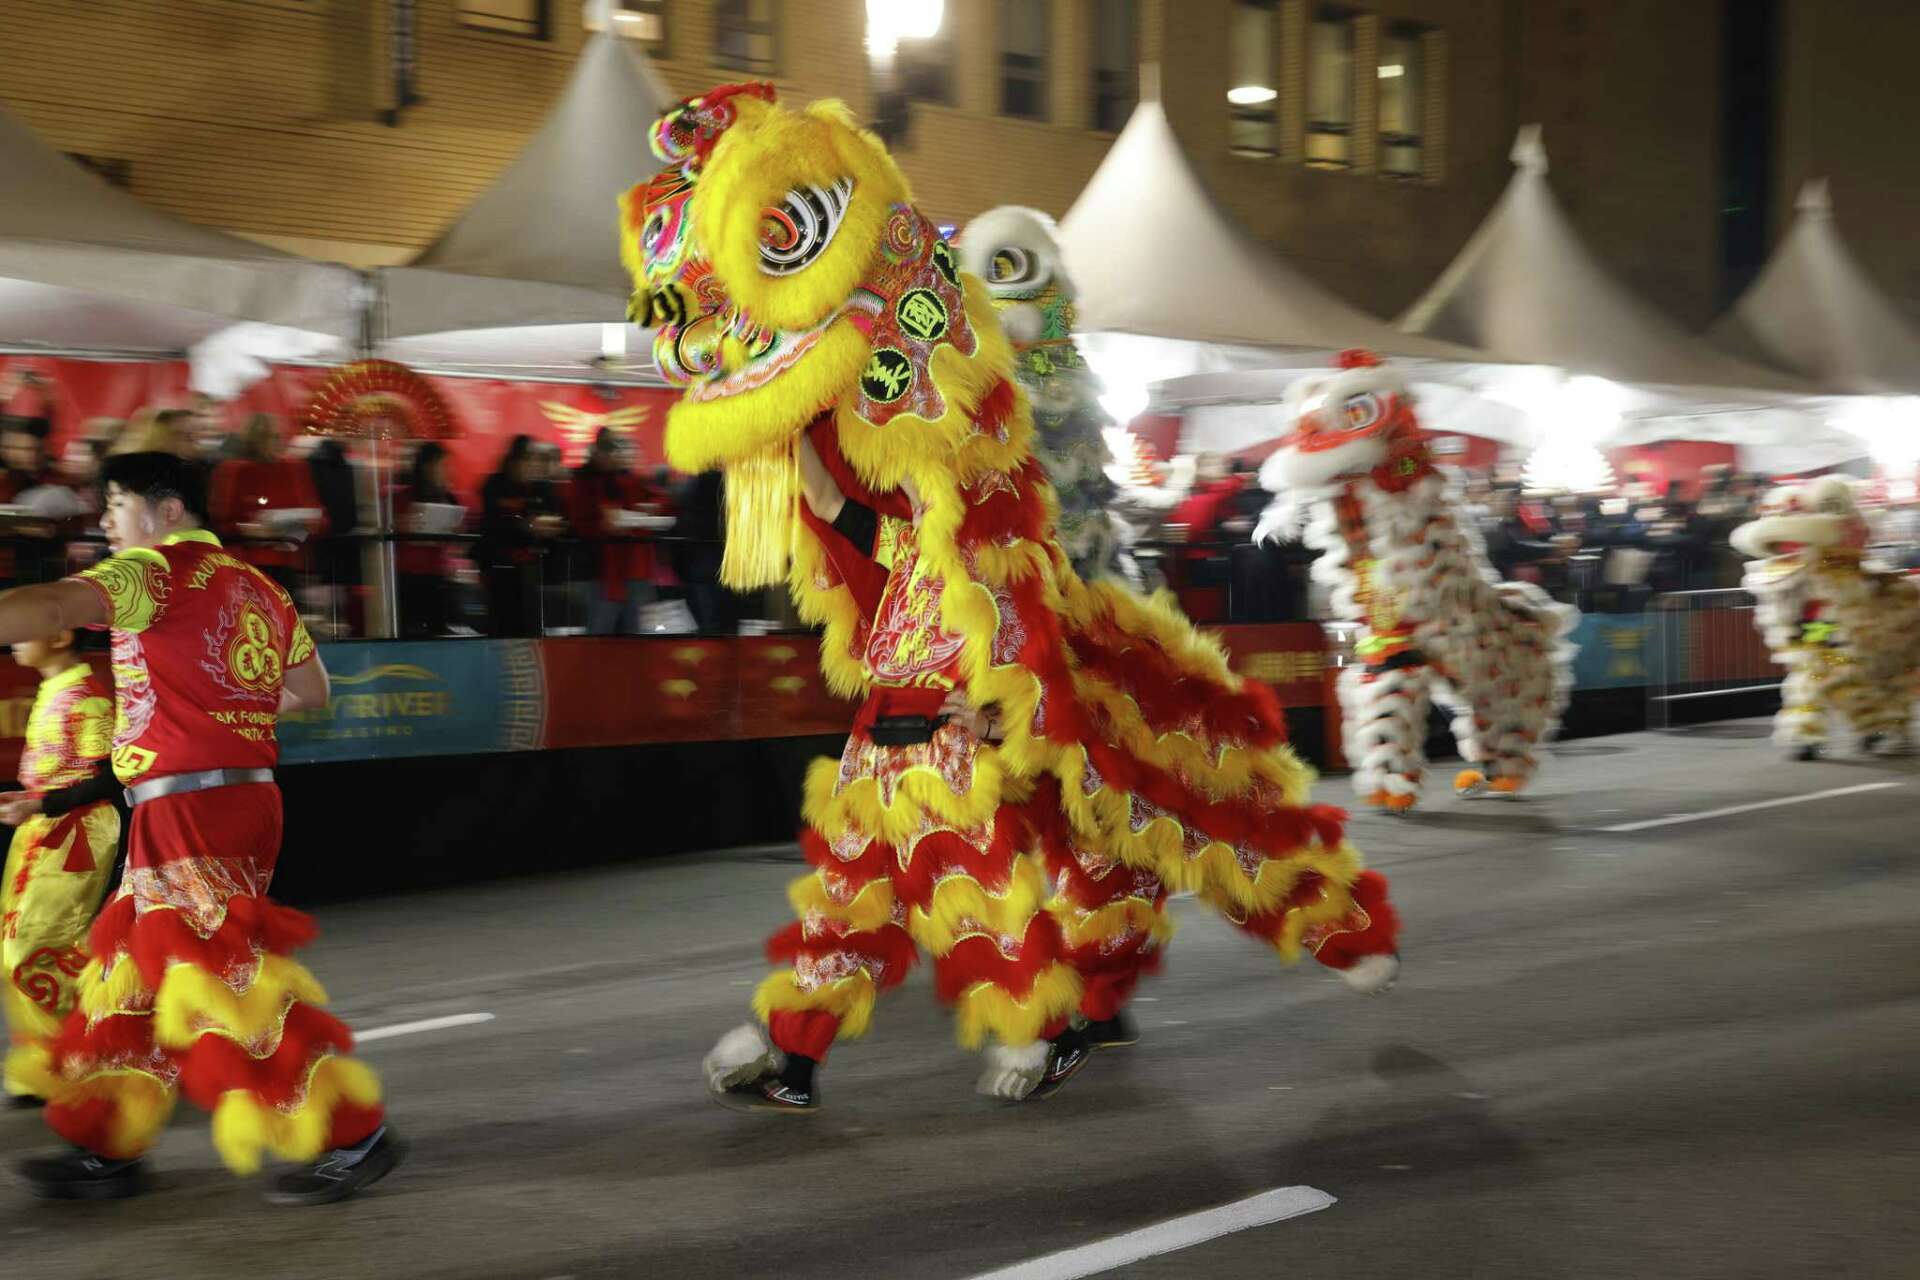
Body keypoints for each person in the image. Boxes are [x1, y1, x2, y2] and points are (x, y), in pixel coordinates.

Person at [1, 451, 401, 1204]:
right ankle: (106, 1141)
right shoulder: (260, 585)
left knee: (224, 977)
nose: (107, 522)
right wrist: (225, 716)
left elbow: (52, 610)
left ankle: (354, 1133)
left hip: (190, 807)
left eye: (117, 505)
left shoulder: (154, 572)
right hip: (228, 798)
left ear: (168, 510)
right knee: (129, 970)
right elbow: (309, 690)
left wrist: (202, 726)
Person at [0, 628, 120, 1107]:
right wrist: (29, 802)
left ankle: (88, 1052)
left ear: (59, 634)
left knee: (33, 947)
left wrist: (40, 805)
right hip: (43, 828)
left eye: (20, 628)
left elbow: (107, 777)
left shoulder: (89, 696)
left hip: (77, 834)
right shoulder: (54, 688)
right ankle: (46, 1060)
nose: (11, 639)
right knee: (15, 943)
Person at [209, 414, 327, 598]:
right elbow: (221, 521)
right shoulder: (235, 470)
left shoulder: (294, 468)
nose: (274, 443)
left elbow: (317, 516)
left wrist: (309, 524)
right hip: (249, 563)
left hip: (289, 562)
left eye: (277, 437)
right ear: (252, 440)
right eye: (267, 437)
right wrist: (248, 530)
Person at [571, 429, 662, 634]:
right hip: (599, 569)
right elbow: (583, 522)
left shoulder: (625, 478)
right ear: (597, 452)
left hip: (631, 566)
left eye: (618, 449)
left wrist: (649, 509)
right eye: (611, 450)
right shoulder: (584, 480)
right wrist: (609, 522)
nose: (616, 455)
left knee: (636, 632)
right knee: (600, 629)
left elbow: (655, 500)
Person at [478, 435, 564, 637]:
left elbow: (559, 520)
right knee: (502, 631)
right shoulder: (495, 484)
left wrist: (551, 527)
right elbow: (494, 522)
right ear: (514, 460)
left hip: (534, 573)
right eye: (529, 458)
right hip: (501, 571)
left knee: (532, 632)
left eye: (537, 459)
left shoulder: (544, 488)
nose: (534, 464)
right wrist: (526, 525)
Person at [394, 442, 466, 638]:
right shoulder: (402, 497)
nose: (447, 472)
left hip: (438, 576)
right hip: (408, 577)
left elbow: (459, 542)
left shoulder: (450, 499)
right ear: (426, 467)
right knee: (409, 632)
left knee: (439, 632)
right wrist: (405, 525)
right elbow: (394, 528)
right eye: (442, 466)